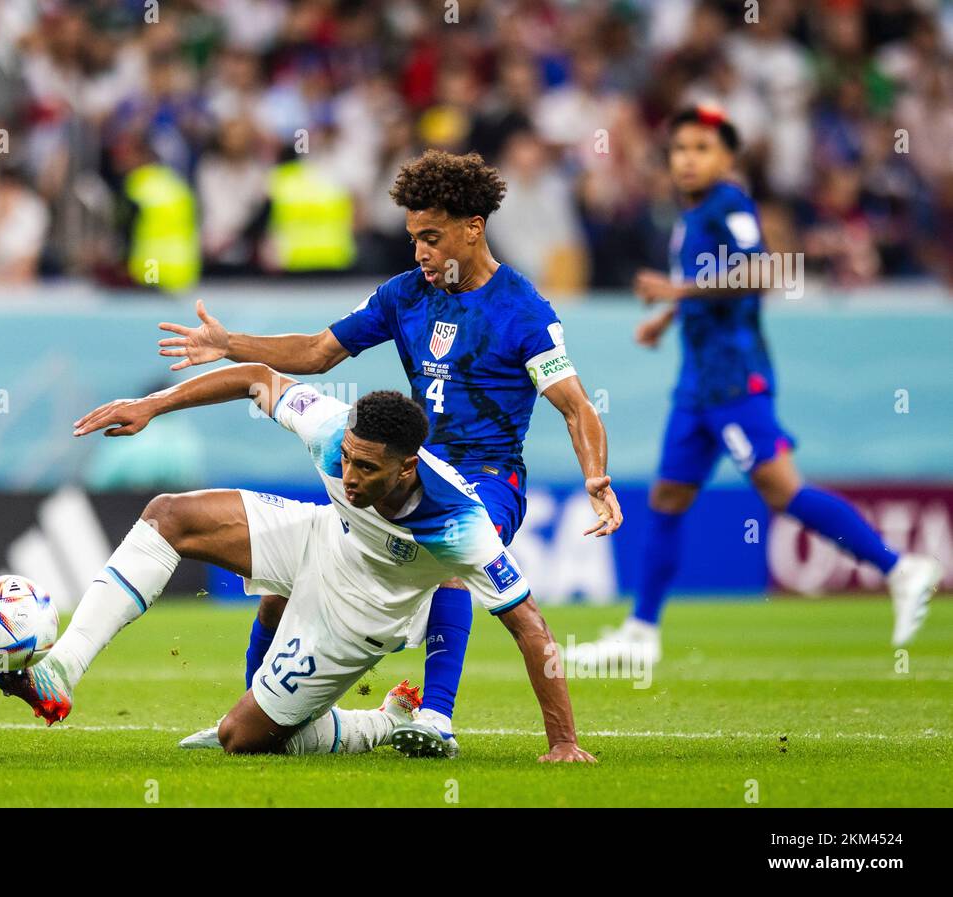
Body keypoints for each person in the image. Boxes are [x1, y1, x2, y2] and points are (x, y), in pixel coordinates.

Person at [154, 150, 621, 757]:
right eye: (413, 238)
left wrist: (596, 476)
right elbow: (318, 352)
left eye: (431, 238)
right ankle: (253, 726)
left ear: (473, 228)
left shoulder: (523, 310)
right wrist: (229, 342)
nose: (420, 253)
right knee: (289, 580)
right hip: (405, 472)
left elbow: (576, 405)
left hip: (487, 479)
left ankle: (436, 718)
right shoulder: (404, 295)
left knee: (451, 558)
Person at [0, 362, 596, 762]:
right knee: (169, 515)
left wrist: (564, 742)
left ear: (407, 467)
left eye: (367, 468)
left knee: (240, 740)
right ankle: (60, 672)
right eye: (348, 460)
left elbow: (531, 626)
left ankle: (384, 723)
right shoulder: (335, 433)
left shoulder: (461, 523)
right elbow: (256, 377)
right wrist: (154, 404)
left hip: (359, 611)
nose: (350, 475)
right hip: (319, 535)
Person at [569, 106, 941, 666]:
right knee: (667, 496)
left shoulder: (730, 204)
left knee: (780, 490)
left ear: (726, 158)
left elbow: (761, 272)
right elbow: (710, 282)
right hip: (696, 384)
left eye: (701, 148)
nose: (688, 159)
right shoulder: (689, 214)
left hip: (736, 379)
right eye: (680, 149)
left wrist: (676, 293)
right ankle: (640, 634)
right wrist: (666, 319)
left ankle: (900, 567)